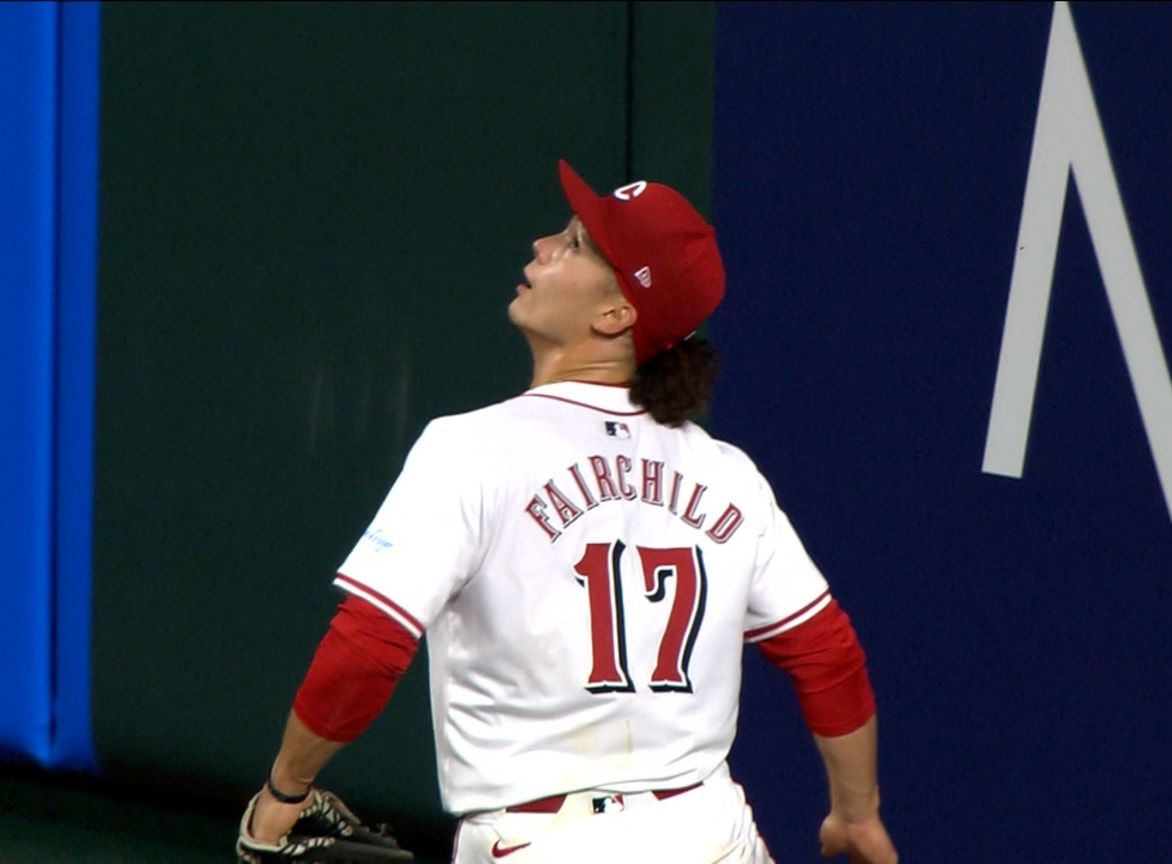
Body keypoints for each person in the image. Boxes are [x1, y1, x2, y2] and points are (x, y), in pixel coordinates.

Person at [238, 160, 899, 864]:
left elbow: (368, 645)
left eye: (576, 243)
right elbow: (826, 653)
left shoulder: (471, 449)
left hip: (541, 843)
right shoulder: (728, 475)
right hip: (711, 832)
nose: (541, 246)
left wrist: (286, 789)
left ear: (616, 315)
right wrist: (857, 815)